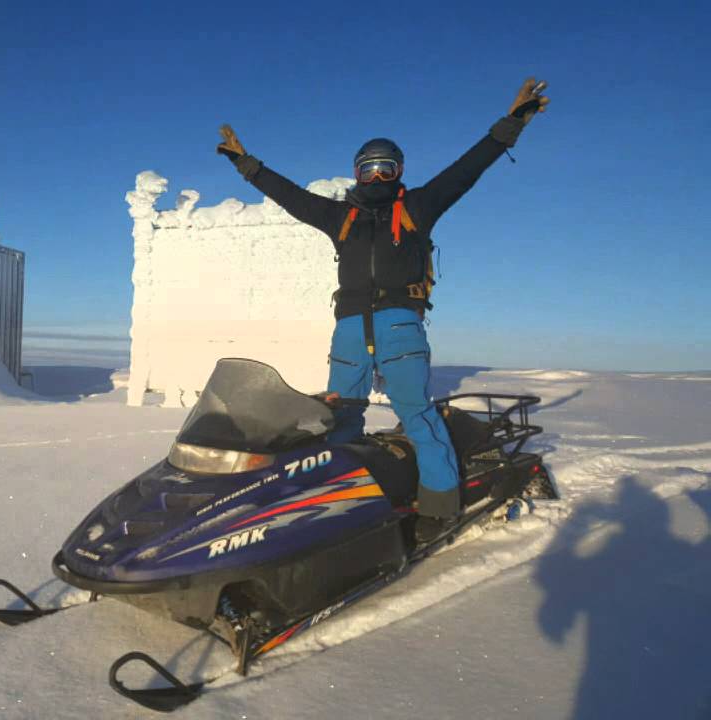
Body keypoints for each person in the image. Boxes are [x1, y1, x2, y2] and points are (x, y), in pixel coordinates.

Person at [216, 78, 549, 543]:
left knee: (415, 412)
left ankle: (440, 503)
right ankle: (335, 502)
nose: (376, 178)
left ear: (399, 172)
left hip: (399, 326)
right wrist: (246, 165)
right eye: (369, 169)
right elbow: (290, 196)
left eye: (385, 169)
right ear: (356, 173)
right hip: (349, 329)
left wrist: (511, 123)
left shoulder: (418, 207)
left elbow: (467, 169)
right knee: (340, 417)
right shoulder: (340, 217)